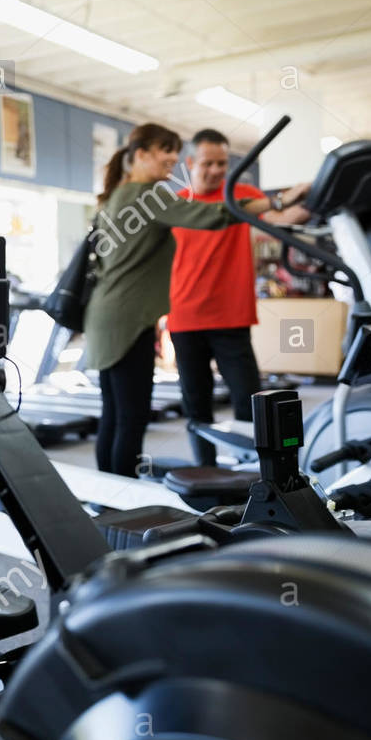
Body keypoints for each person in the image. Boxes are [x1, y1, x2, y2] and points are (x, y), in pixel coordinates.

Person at [85, 124, 310, 477]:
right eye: (165, 150)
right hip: (135, 320)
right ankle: (121, 498)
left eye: (174, 150)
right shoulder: (148, 197)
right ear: (140, 154)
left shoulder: (119, 196)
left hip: (113, 317)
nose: (172, 159)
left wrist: (308, 202)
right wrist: (281, 196)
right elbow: (214, 214)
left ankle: (108, 495)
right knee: (131, 417)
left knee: (116, 414)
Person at [170, 128, 306, 465]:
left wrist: (317, 199)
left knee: (249, 401)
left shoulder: (241, 194)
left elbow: (283, 217)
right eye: (208, 163)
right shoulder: (177, 206)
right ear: (190, 163)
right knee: (196, 404)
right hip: (185, 319)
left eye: (222, 163)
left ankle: (251, 470)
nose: (217, 170)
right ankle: (205, 471)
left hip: (231, 316)